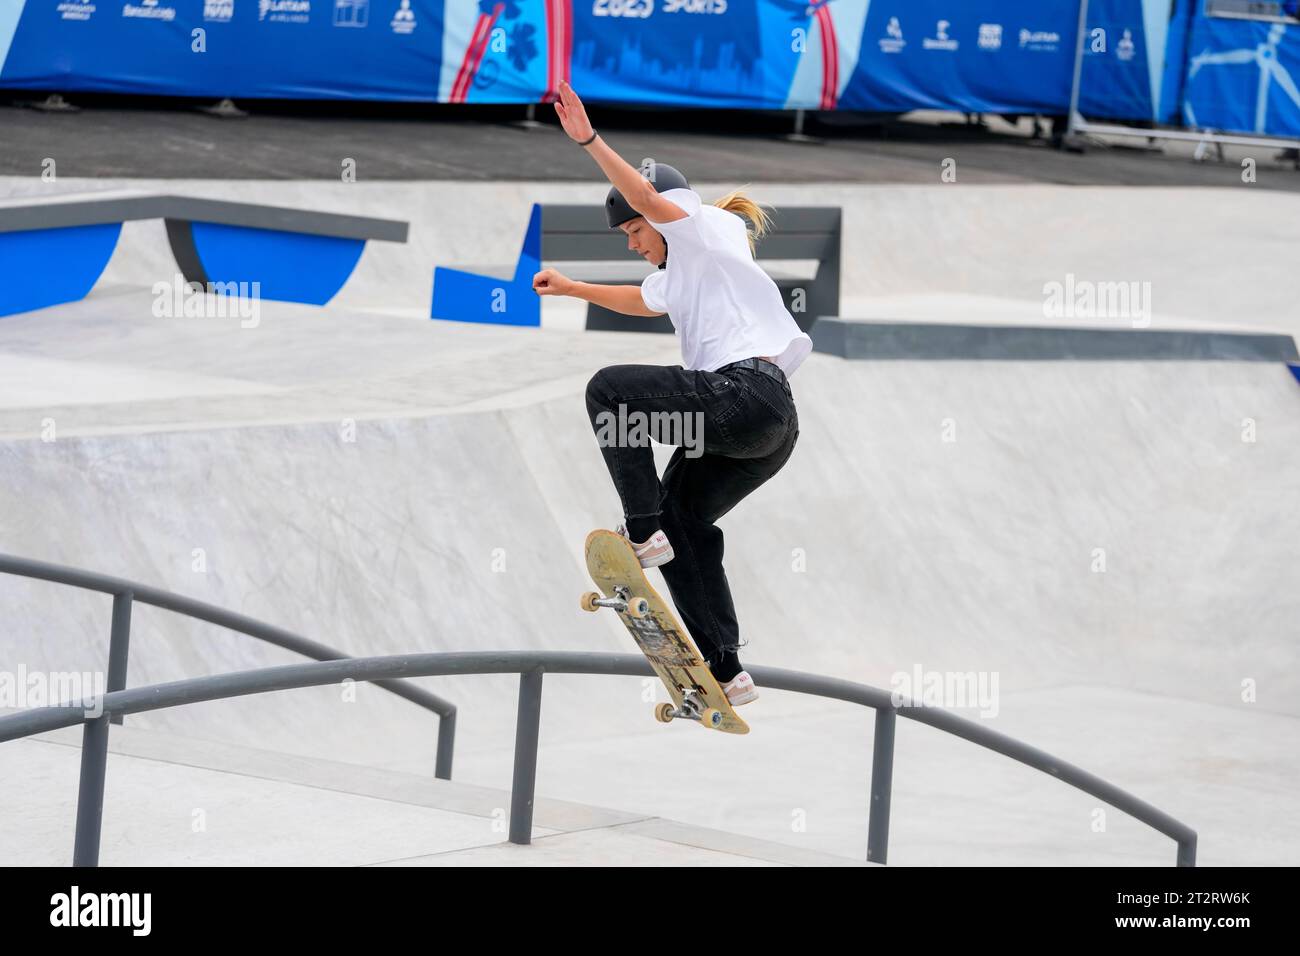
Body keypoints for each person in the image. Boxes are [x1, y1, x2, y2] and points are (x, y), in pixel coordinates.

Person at [534, 82, 811, 705]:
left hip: (745, 395)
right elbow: (640, 300)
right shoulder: (681, 273)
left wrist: (587, 139)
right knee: (687, 521)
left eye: (634, 231)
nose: (633, 242)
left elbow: (644, 195)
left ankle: (641, 530)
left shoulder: (703, 229)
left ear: (661, 213)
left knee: (610, 392)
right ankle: (726, 667)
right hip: (767, 430)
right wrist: (575, 288)